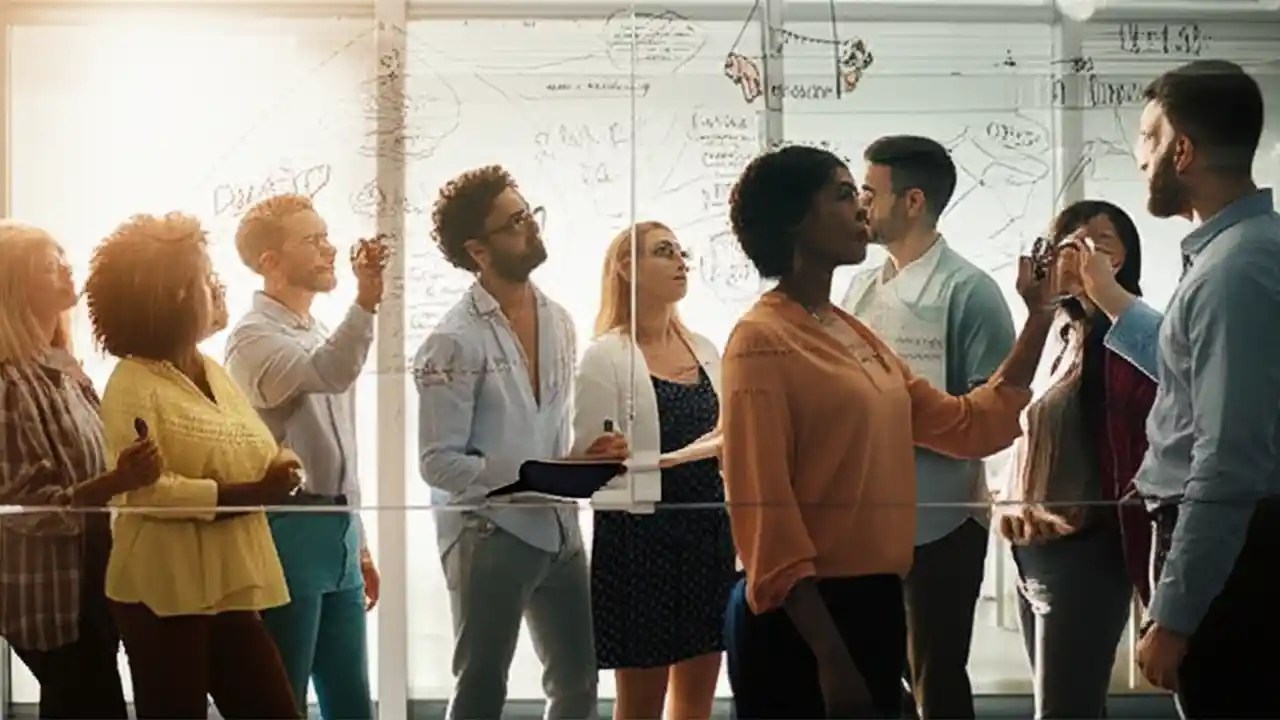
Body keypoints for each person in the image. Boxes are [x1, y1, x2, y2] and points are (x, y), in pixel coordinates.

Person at [719, 144, 1057, 719]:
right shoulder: (760, 340)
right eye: (844, 193)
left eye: (861, 193)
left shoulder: (852, 332)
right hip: (806, 618)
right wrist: (830, 653)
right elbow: (765, 515)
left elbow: (971, 425)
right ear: (797, 220)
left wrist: (1040, 319)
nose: (861, 209)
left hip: (871, 602)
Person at [1068, 59, 1280, 718]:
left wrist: (1177, 614)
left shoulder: (1233, 273)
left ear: (1180, 150)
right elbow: (1191, 373)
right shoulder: (1237, 252)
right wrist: (1109, 298)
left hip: (1235, 562)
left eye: (1147, 137)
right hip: (1235, 550)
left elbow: (1227, 459)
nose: (1139, 158)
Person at [414, 165, 628, 720]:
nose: (530, 228)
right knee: (482, 687)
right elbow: (438, 463)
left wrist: (585, 459)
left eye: (528, 213)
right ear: (478, 251)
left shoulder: (559, 319)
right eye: (513, 223)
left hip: (559, 527)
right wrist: (532, 474)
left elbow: (552, 430)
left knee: (580, 683)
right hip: (489, 533)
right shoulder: (451, 340)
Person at [85, 211, 304, 719]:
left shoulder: (212, 370)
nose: (219, 286)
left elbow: (258, 447)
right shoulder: (132, 383)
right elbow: (151, 495)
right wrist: (257, 494)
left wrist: (287, 466)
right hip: (162, 594)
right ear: (179, 296)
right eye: (208, 278)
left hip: (226, 586)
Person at [840, 135, 1014, 720]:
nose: (860, 205)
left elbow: (994, 411)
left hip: (941, 520)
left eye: (869, 192)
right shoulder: (860, 286)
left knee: (935, 677)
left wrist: (902, 415)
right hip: (865, 518)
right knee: (871, 672)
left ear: (913, 201)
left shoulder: (971, 291)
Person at [224, 193, 387, 719]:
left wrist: (359, 544)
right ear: (270, 262)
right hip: (288, 529)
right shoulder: (252, 338)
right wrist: (365, 300)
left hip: (336, 527)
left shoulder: (316, 330)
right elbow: (328, 372)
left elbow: (343, 447)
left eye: (326, 236)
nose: (329, 249)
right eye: (311, 241)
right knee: (282, 696)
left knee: (351, 701)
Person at [995, 200, 1157, 719]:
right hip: (1031, 544)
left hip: (1086, 545)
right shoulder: (1057, 331)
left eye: (1101, 242)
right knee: (1060, 704)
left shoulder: (1132, 336)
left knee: (1066, 708)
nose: (1084, 253)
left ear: (1125, 258)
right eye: (1072, 243)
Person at [0, 221, 163, 719]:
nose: (68, 271)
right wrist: (118, 481)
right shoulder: (8, 381)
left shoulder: (65, 370)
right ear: (14, 287)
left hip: (92, 580)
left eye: (64, 259)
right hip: (53, 593)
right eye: (50, 266)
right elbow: (21, 505)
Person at [573, 222, 734, 720]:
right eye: (665, 252)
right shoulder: (605, 356)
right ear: (627, 267)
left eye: (681, 251)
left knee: (696, 700)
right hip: (640, 536)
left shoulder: (706, 349)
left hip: (708, 531)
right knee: (640, 703)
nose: (681, 261)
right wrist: (598, 455)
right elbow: (585, 464)